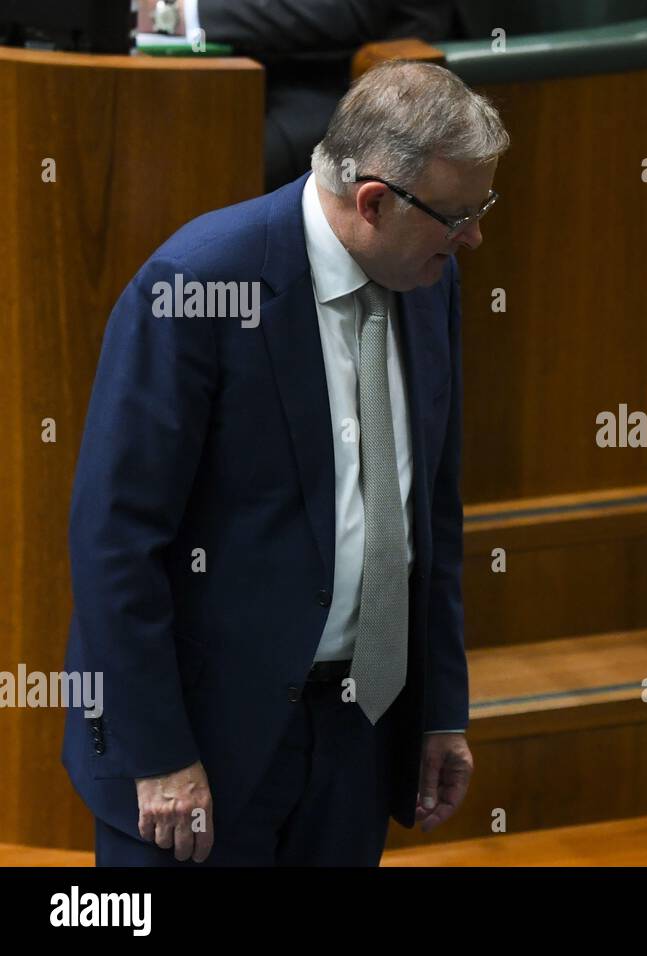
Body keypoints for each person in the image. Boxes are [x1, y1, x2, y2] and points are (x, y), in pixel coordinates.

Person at [61, 60, 509, 865]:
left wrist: (440, 709)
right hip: (201, 747)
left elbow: (431, 512)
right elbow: (115, 542)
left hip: (357, 737)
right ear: (374, 201)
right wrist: (157, 753)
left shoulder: (428, 282)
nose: (475, 237)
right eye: (459, 215)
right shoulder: (196, 285)